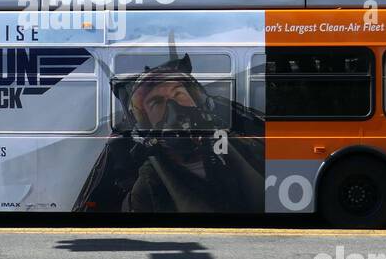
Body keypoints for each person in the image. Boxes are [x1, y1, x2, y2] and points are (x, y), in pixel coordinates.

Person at [73, 53, 264, 213]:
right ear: (145, 121)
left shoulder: (246, 149)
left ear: (198, 101)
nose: (174, 107)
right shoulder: (147, 186)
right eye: (157, 102)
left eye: (178, 93)